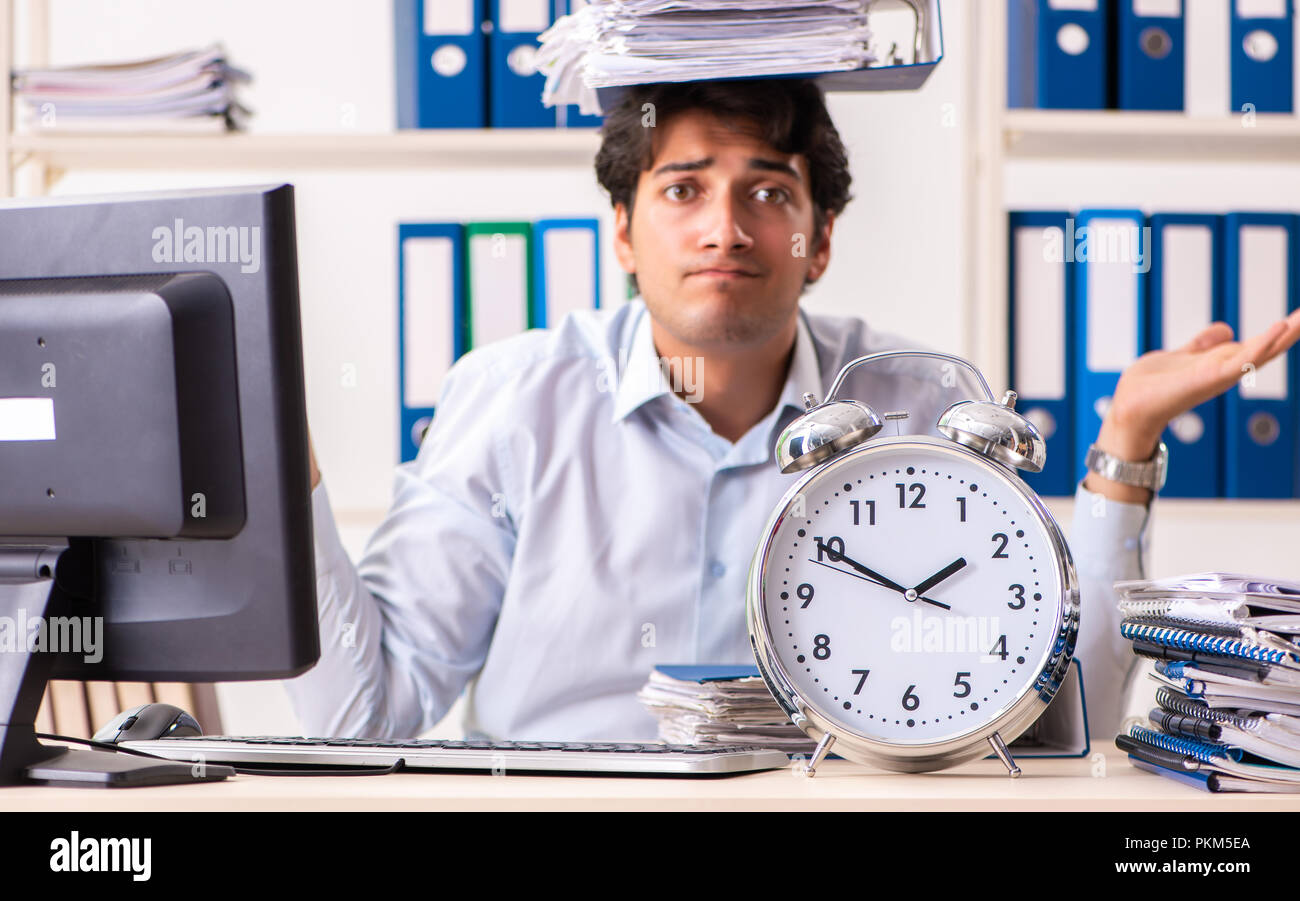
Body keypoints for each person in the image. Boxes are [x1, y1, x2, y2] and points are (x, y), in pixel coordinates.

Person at [286, 79, 1300, 742]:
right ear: (624, 235)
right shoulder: (511, 401)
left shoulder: (922, 405)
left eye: (767, 193)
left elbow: (1050, 718)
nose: (724, 229)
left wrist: (1123, 445)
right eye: (682, 189)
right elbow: (360, 721)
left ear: (818, 242)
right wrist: (285, 462)